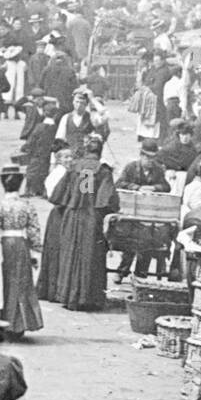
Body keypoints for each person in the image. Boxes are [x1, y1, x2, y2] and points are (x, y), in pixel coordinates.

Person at [51, 133, 118, 311]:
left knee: (71, 254)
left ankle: (68, 296)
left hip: (72, 216)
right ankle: (88, 298)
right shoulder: (103, 170)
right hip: (92, 218)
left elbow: (57, 195)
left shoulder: (74, 166)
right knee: (90, 257)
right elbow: (109, 201)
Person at [0, 165, 43, 336]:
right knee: (21, 281)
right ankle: (20, 323)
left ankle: (3, 320)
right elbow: (34, 230)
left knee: (4, 281)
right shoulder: (26, 205)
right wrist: (35, 251)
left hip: (4, 244)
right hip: (21, 244)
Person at [114, 138, 172, 280]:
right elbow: (119, 183)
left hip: (149, 215)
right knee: (131, 242)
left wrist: (154, 188)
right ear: (141, 156)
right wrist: (137, 188)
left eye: (153, 158)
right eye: (147, 157)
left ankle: (140, 274)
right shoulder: (131, 168)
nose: (150, 161)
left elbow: (166, 187)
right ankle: (122, 271)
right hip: (131, 214)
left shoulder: (158, 170)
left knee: (147, 241)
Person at [35, 150, 73, 301]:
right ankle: (53, 289)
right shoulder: (59, 174)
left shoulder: (69, 173)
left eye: (70, 157)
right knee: (56, 249)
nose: (69, 159)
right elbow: (53, 195)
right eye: (65, 157)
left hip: (62, 212)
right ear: (58, 160)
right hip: (59, 213)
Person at [20, 98, 60, 197]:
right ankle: (41, 191)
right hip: (48, 154)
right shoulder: (55, 128)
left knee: (31, 171)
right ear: (55, 115)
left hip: (36, 153)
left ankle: (29, 191)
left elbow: (32, 139)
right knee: (44, 172)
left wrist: (25, 147)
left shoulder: (39, 126)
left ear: (44, 113)